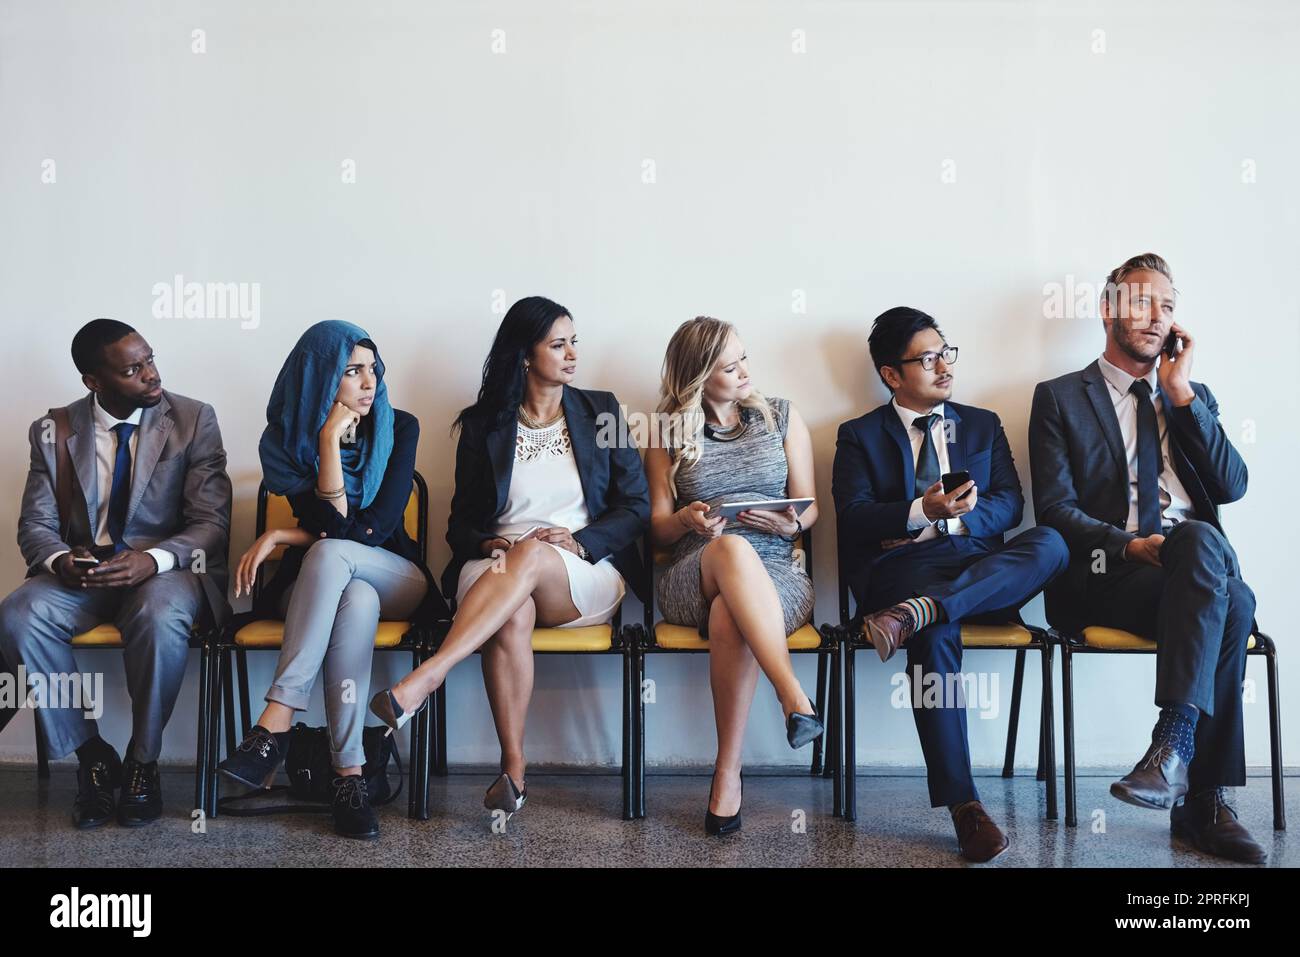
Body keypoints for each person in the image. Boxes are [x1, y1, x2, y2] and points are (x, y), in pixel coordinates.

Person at [369, 296, 648, 821]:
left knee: (535, 555)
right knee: (513, 606)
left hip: (581, 568)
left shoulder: (603, 410)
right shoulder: (483, 425)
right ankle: (513, 773)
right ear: (525, 355)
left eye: (574, 342)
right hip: (497, 568)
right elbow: (459, 525)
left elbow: (636, 506)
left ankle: (428, 676)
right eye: (557, 344)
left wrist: (582, 541)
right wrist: (486, 544)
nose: (571, 354)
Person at [1029, 253, 1264, 863]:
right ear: (1107, 309)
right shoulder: (1058, 397)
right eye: (1141, 302)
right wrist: (1129, 543)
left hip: (1192, 572)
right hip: (1111, 574)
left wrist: (1181, 393)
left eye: (1167, 305)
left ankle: (1171, 751)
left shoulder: (1191, 397)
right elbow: (1055, 508)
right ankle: (1204, 803)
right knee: (1232, 600)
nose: (1156, 316)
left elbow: (1233, 484)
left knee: (1209, 558)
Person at [832, 306, 1068, 862]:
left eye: (946, 353)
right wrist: (920, 510)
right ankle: (965, 808)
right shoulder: (859, 436)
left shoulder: (982, 424)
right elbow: (854, 516)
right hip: (906, 571)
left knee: (1052, 543)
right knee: (935, 635)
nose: (944, 366)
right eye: (927, 358)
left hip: (980, 571)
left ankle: (920, 611)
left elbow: (1012, 503)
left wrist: (955, 520)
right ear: (892, 374)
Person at [0, 318, 231, 828]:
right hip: (85, 575)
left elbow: (211, 523)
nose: (152, 375)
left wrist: (154, 559)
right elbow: (35, 526)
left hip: (165, 570)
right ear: (95, 382)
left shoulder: (193, 419)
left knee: (160, 611)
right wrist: (63, 560)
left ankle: (142, 762)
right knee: (18, 613)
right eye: (134, 369)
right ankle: (93, 759)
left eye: (150, 359)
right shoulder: (55, 430)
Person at [216, 320, 442, 840]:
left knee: (339, 559)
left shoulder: (400, 426)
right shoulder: (288, 440)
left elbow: (368, 530)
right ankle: (350, 778)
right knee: (354, 597)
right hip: (330, 581)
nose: (369, 383)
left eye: (373, 370)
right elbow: (330, 528)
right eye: (352, 372)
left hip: (397, 576)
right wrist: (325, 441)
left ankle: (275, 721)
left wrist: (281, 537)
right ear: (320, 380)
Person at [645, 316, 824, 837]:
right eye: (729, 366)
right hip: (693, 571)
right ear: (698, 378)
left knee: (732, 610)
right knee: (730, 549)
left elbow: (810, 509)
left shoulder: (784, 418)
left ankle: (727, 774)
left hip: (778, 576)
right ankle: (793, 695)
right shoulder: (663, 432)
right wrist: (685, 519)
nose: (745, 371)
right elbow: (657, 529)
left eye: (744, 357)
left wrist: (792, 520)